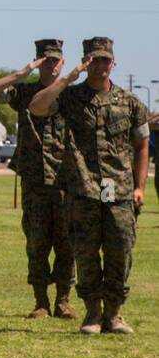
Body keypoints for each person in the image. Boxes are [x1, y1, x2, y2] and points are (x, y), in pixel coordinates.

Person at [30, 37, 149, 335]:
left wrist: (140, 187)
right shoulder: (71, 98)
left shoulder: (130, 103)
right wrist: (69, 77)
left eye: (105, 60)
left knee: (120, 251)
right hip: (83, 189)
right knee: (85, 254)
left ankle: (115, 314)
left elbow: (142, 144)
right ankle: (93, 313)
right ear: (86, 63)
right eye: (94, 60)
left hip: (119, 190)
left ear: (114, 63)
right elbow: (37, 107)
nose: (100, 65)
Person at [0, 40, 74, 318]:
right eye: (45, 60)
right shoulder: (24, 92)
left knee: (67, 242)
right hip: (34, 180)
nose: (51, 64)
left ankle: (63, 300)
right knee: (37, 242)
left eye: (55, 60)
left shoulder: (72, 94)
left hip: (66, 178)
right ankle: (41, 301)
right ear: (37, 61)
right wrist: (22, 72)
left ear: (63, 62)